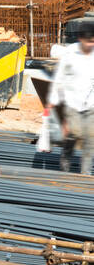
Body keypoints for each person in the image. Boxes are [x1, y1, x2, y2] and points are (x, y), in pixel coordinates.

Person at [49, 17, 94, 174]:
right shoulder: (70, 53)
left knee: (90, 138)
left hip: (91, 104)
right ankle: (66, 162)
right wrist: (53, 100)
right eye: (88, 41)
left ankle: (85, 173)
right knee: (74, 133)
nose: (91, 45)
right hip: (72, 101)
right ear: (81, 39)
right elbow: (59, 77)